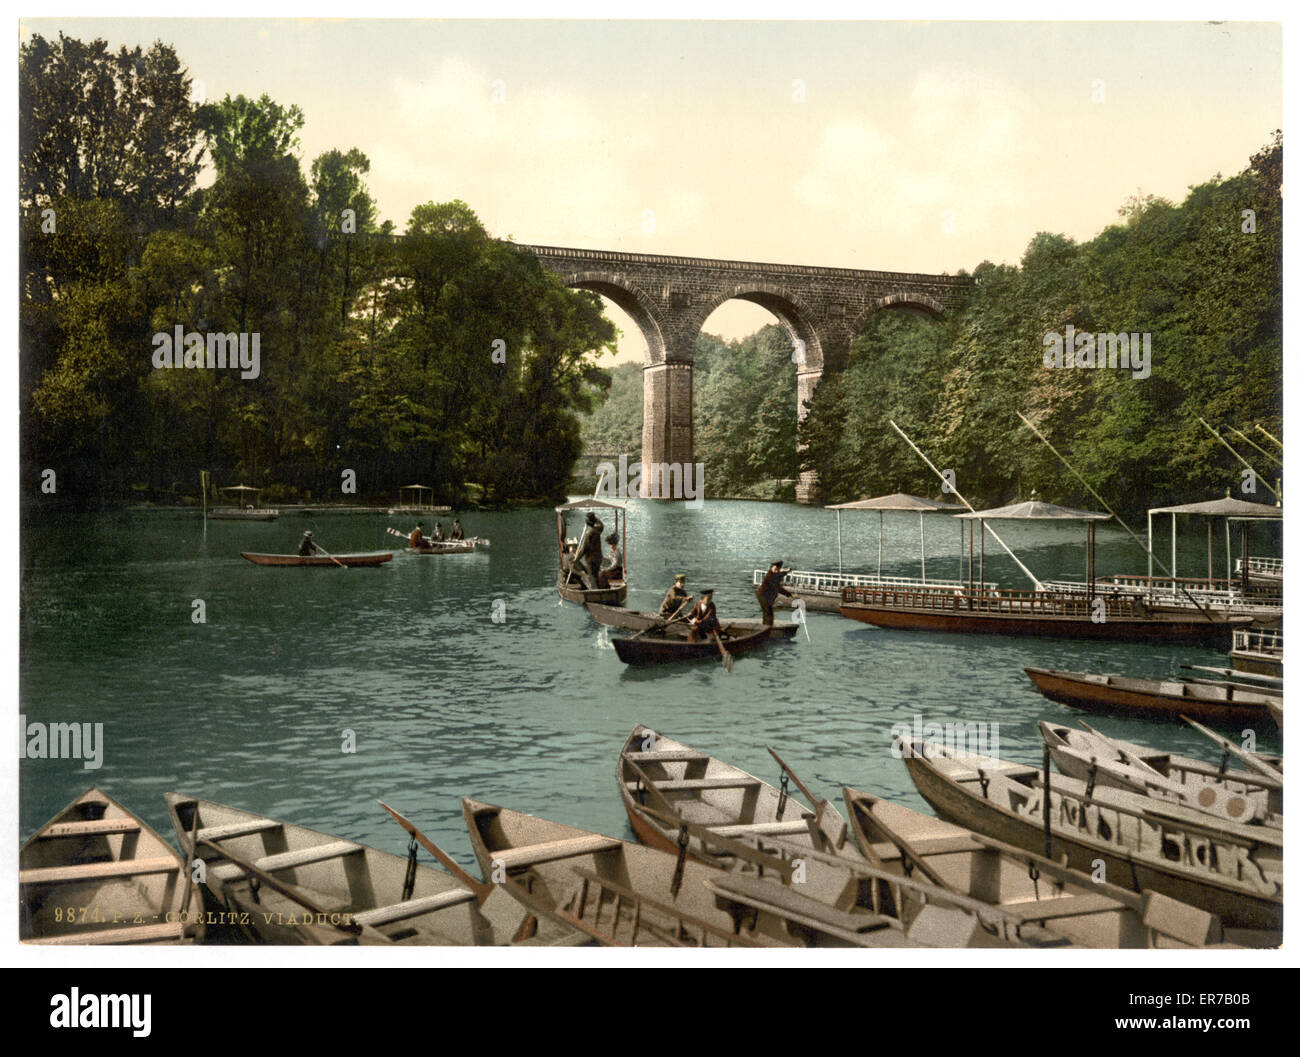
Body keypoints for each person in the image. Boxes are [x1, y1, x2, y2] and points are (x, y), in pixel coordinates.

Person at [755, 560, 794, 626]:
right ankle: (767, 628)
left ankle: (766, 626)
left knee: (768, 613)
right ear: (773, 568)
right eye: (776, 569)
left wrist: (786, 571)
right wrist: (788, 594)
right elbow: (778, 588)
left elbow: (779, 574)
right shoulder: (771, 576)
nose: (777, 570)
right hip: (763, 596)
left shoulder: (773, 573)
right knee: (768, 614)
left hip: (764, 595)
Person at [576, 511, 604, 588]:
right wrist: (594, 518)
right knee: (596, 575)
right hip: (598, 558)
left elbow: (584, 549)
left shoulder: (589, 534)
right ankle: (599, 591)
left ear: (588, 523)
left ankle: (595, 592)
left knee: (592, 577)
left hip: (591, 559)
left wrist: (576, 560)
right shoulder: (598, 530)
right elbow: (601, 525)